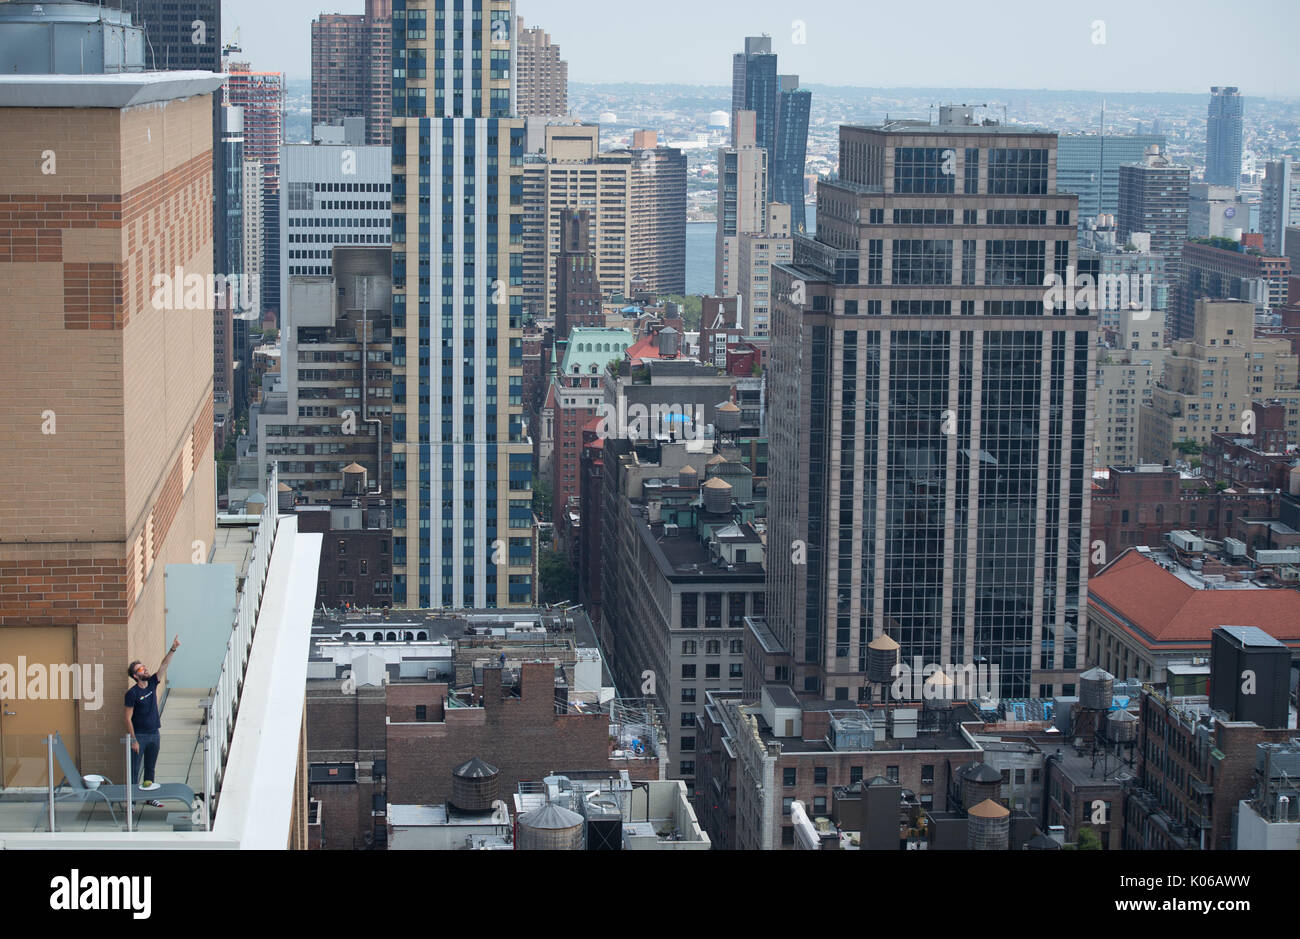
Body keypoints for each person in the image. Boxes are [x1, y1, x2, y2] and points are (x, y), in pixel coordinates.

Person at [123, 637, 180, 805]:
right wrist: (133, 740)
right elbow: (127, 718)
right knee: (134, 770)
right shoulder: (132, 693)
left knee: (150, 767)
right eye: (141, 668)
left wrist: (173, 648)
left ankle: (149, 797)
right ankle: (132, 801)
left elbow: (163, 666)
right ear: (135, 675)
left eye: (144, 666)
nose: (145, 669)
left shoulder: (152, 684)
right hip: (139, 736)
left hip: (154, 733)